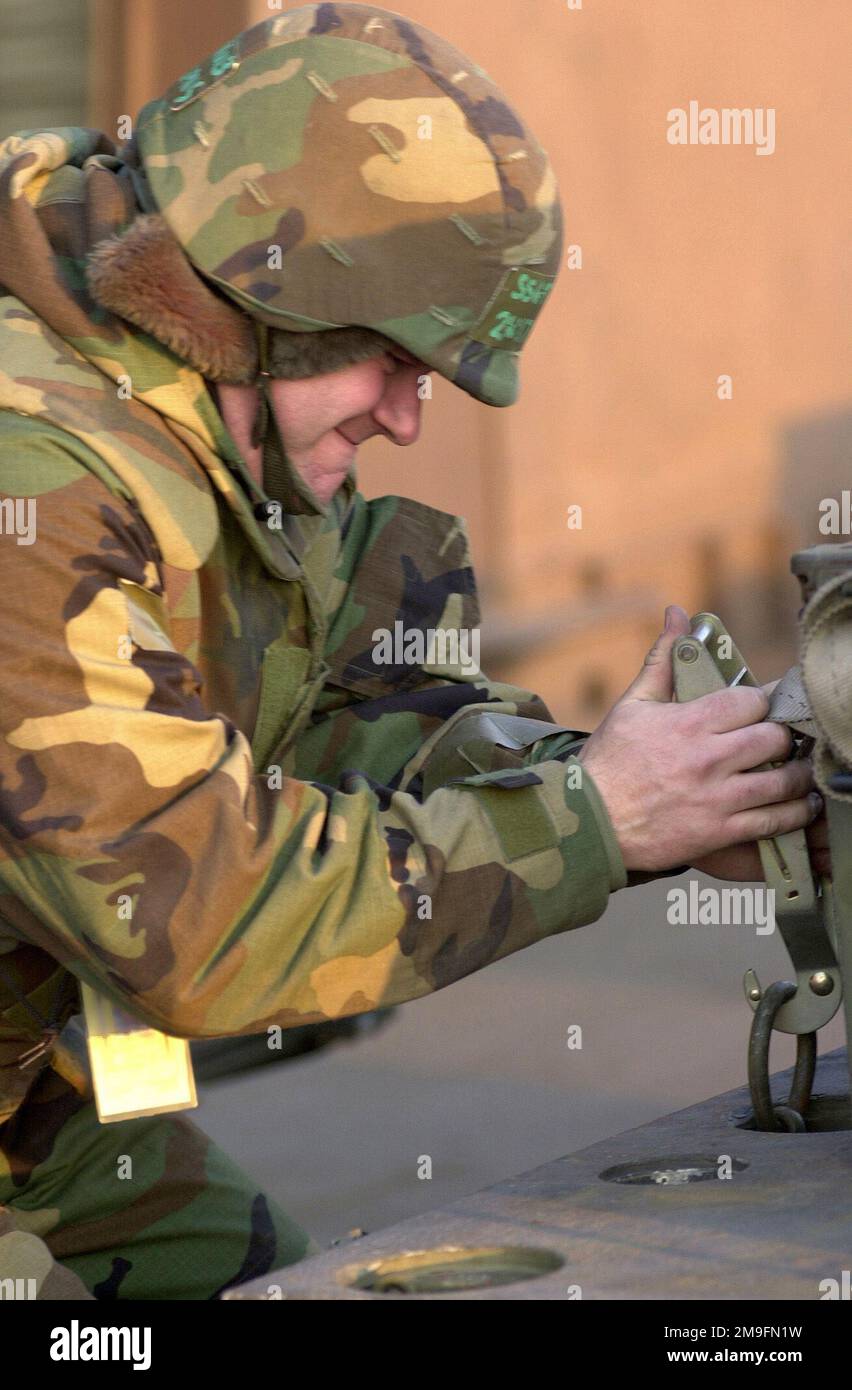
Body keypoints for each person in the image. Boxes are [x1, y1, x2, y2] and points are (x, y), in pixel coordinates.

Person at [0, 4, 825, 1300]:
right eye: (390, 354)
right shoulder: (35, 479)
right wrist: (596, 820)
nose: (409, 411)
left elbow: (335, 706)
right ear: (258, 295)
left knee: (245, 1271)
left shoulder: (207, 415)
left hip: (28, 1077)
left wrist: (648, 785)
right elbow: (200, 921)